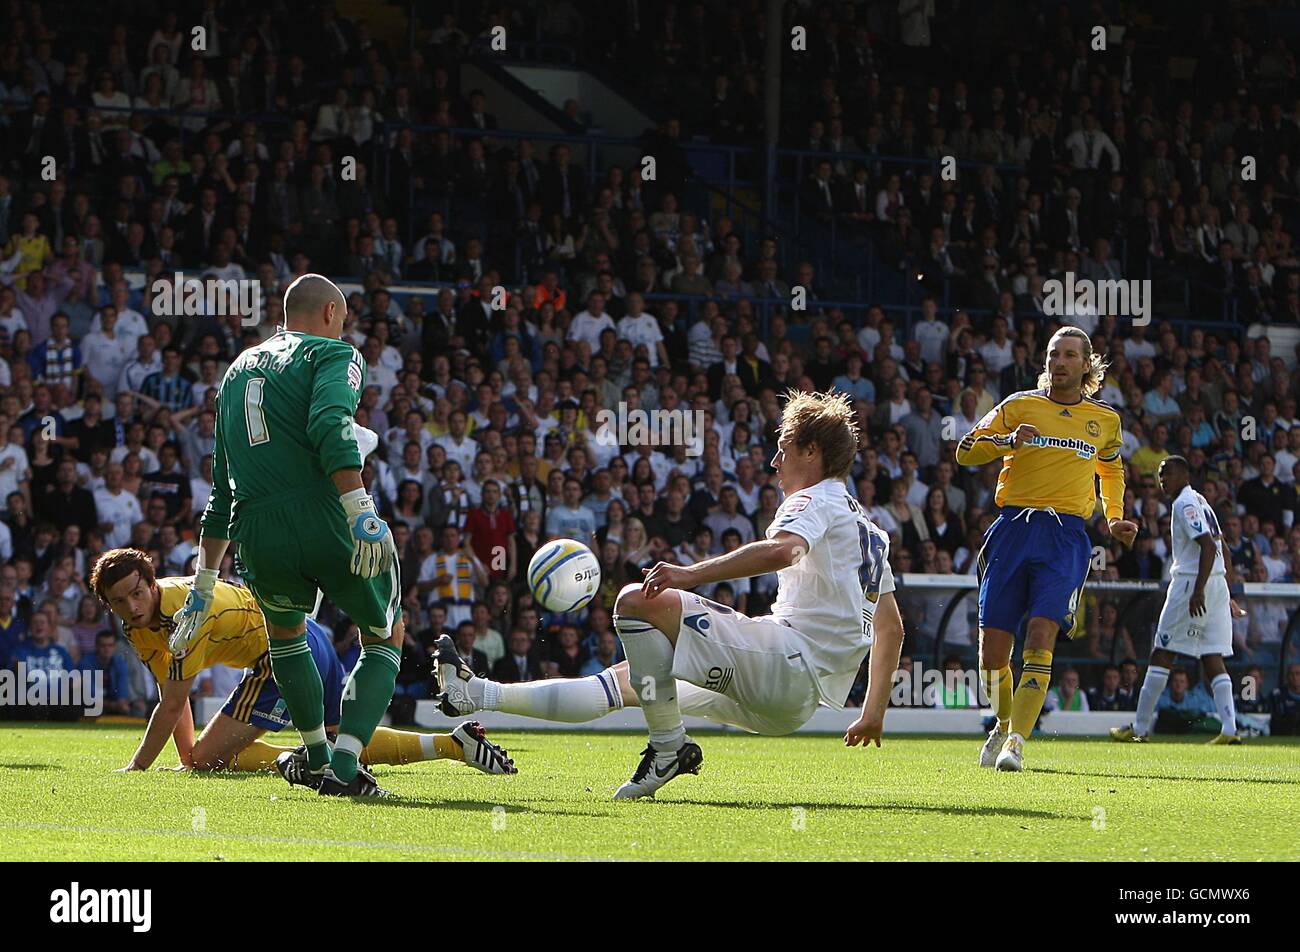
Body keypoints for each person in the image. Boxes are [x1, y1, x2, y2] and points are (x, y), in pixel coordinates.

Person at [434, 390, 906, 799]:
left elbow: (783, 551)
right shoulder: (867, 527)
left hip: (785, 662)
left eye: (783, 449)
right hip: (793, 700)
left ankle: (667, 748)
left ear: (811, 451)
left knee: (639, 600)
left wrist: (687, 575)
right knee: (631, 681)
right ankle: (475, 693)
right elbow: (891, 629)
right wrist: (872, 714)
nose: (774, 461)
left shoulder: (813, 499)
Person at [180, 274, 488, 796]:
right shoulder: (333, 353)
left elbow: (221, 489)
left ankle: (317, 760)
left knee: (286, 637)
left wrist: (204, 584)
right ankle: (345, 766)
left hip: (256, 528)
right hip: (324, 513)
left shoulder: (234, 373)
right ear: (329, 315)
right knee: (386, 631)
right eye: (342, 320)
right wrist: (359, 506)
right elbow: (329, 423)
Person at [90, 547, 514, 776]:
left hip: (281, 655)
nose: (131, 605)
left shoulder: (185, 611)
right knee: (343, 744)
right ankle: (453, 744)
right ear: (108, 604)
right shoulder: (139, 624)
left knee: (207, 760)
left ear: (151, 581)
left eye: (136, 592)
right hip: (307, 635)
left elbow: (172, 701)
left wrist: (142, 767)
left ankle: (298, 760)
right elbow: (172, 694)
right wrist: (186, 754)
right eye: (120, 601)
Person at [956, 325, 1137, 771]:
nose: (1060, 362)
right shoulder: (1019, 406)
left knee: (1042, 635)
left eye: (1070, 355)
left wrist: (1113, 516)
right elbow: (965, 451)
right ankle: (1002, 723)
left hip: (1066, 537)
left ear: (1086, 364)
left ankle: (1016, 742)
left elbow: (1111, 471)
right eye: (1054, 354)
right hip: (1013, 528)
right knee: (993, 651)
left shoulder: (1105, 422)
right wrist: (1006, 441)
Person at [1111, 456, 1246, 744]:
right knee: (1212, 655)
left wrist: (1198, 590)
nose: (1162, 480)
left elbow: (1209, 547)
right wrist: (1227, 593)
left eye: (1167, 474)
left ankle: (1139, 729)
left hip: (1190, 583)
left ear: (1184, 474)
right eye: (1160, 475)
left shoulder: (1184, 504)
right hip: (1218, 584)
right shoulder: (1202, 502)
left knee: (1162, 651)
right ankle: (1230, 730)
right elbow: (1225, 548)